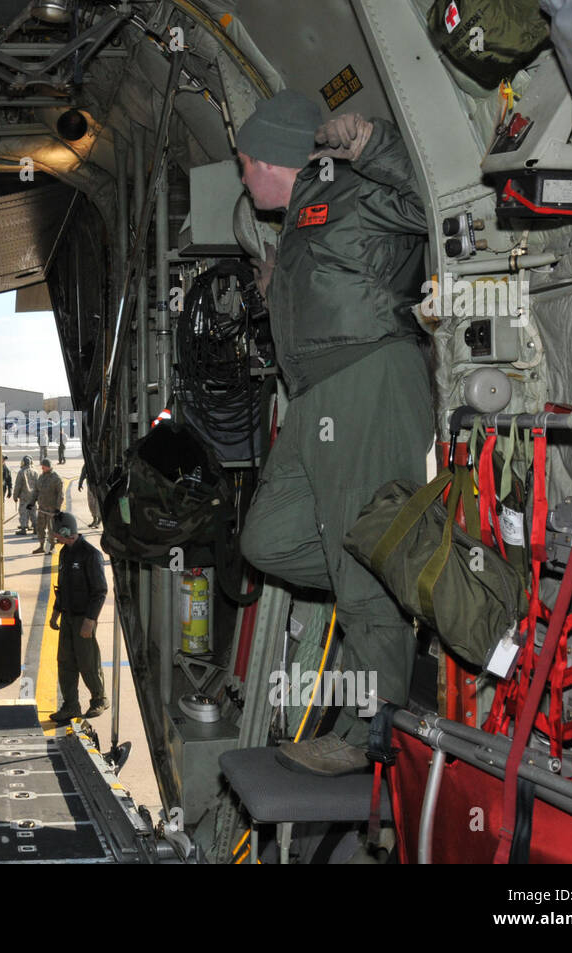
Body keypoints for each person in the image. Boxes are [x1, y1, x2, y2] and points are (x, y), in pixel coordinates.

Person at [235, 91, 433, 776]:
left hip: (369, 375)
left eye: (243, 163)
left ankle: (365, 727)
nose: (240, 178)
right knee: (268, 538)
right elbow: (333, 284)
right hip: (317, 391)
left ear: (268, 160)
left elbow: (430, 203)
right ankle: (405, 572)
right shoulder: (298, 223)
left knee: (357, 560)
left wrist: (375, 143)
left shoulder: (350, 188)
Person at [48, 512, 108, 723]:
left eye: (57, 533)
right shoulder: (65, 553)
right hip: (67, 617)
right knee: (65, 662)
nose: (55, 537)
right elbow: (62, 588)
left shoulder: (90, 555)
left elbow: (100, 591)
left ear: (66, 532)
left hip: (84, 618)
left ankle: (99, 699)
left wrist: (90, 621)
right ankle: (71, 705)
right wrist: (56, 613)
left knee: (88, 661)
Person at [32, 457, 64, 555]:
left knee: (51, 530)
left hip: (51, 510)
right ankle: (41, 546)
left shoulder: (56, 478)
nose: (42, 468)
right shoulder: (41, 477)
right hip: (41, 508)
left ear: (48, 467)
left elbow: (60, 495)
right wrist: (31, 502)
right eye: (42, 466)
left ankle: (51, 547)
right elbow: (36, 491)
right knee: (40, 528)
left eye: (43, 466)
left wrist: (58, 508)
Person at [12, 455, 38, 534]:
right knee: (33, 512)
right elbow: (38, 485)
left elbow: (18, 485)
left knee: (23, 512)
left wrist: (15, 496)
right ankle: (36, 528)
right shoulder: (35, 472)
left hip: (24, 496)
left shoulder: (21, 472)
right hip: (33, 497)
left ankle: (24, 528)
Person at [78, 462, 101, 528]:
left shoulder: (100, 461)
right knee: (91, 504)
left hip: (99, 486)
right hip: (90, 486)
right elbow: (83, 474)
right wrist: (80, 483)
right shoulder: (87, 463)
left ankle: (99, 521)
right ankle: (94, 520)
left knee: (98, 504)